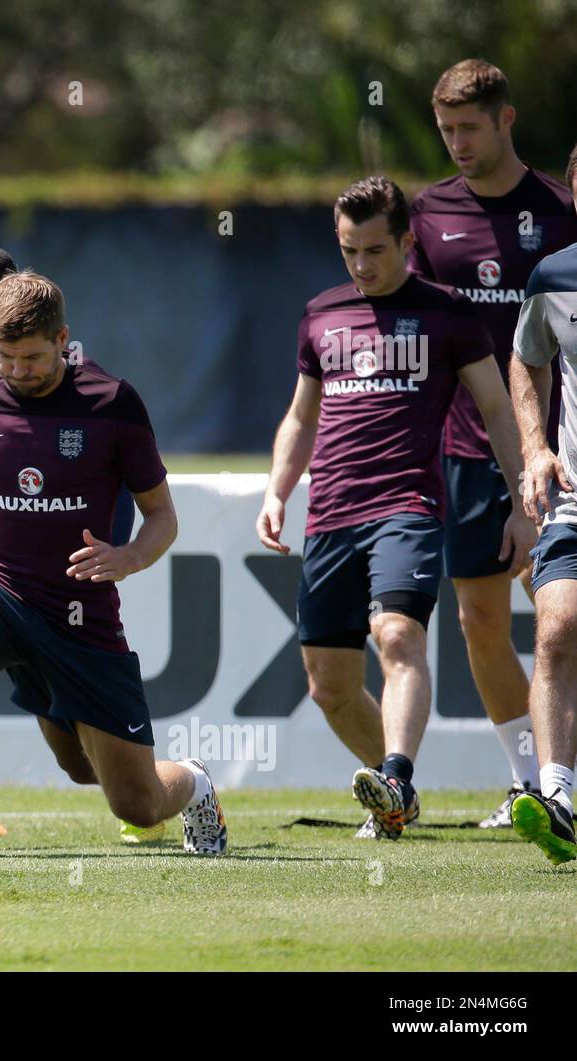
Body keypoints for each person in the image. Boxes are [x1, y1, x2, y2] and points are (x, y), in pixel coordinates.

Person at [0, 271, 227, 859]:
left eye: (32, 357)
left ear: (63, 340)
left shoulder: (114, 404)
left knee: (124, 796)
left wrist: (128, 556)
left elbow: (162, 516)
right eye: (6, 357)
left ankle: (197, 783)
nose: (18, 371)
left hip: (80, 618)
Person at [256, 176, 530, 839]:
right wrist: (277, 489)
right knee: (329, 684)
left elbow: (497, 408)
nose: (361, 264)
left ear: (407, 241)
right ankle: (392, 792)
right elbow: (300, 417)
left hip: (407, 506)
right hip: (330, 514)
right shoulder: (320, 312)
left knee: (399, 636)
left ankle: (399, 775)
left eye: (374, 250)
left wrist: (522, 500)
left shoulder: (450, 313)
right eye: (349, 250)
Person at [408, 59, 576, 826]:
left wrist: (532, 459)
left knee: (557, 614)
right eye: (446, 131)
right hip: (461, 443)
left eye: (469, 128)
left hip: (552, 447)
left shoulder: (562, 209)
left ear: (506, 119)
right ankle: (529, 784)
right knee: (478, 616)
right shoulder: (428, 212)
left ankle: (558, 768)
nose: (457, 144)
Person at [508, 142, 577, 865]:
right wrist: (535, 449)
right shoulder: (553, 276)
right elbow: (526, 360)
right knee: (556, 627)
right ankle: (557, 799)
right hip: (573, 496)